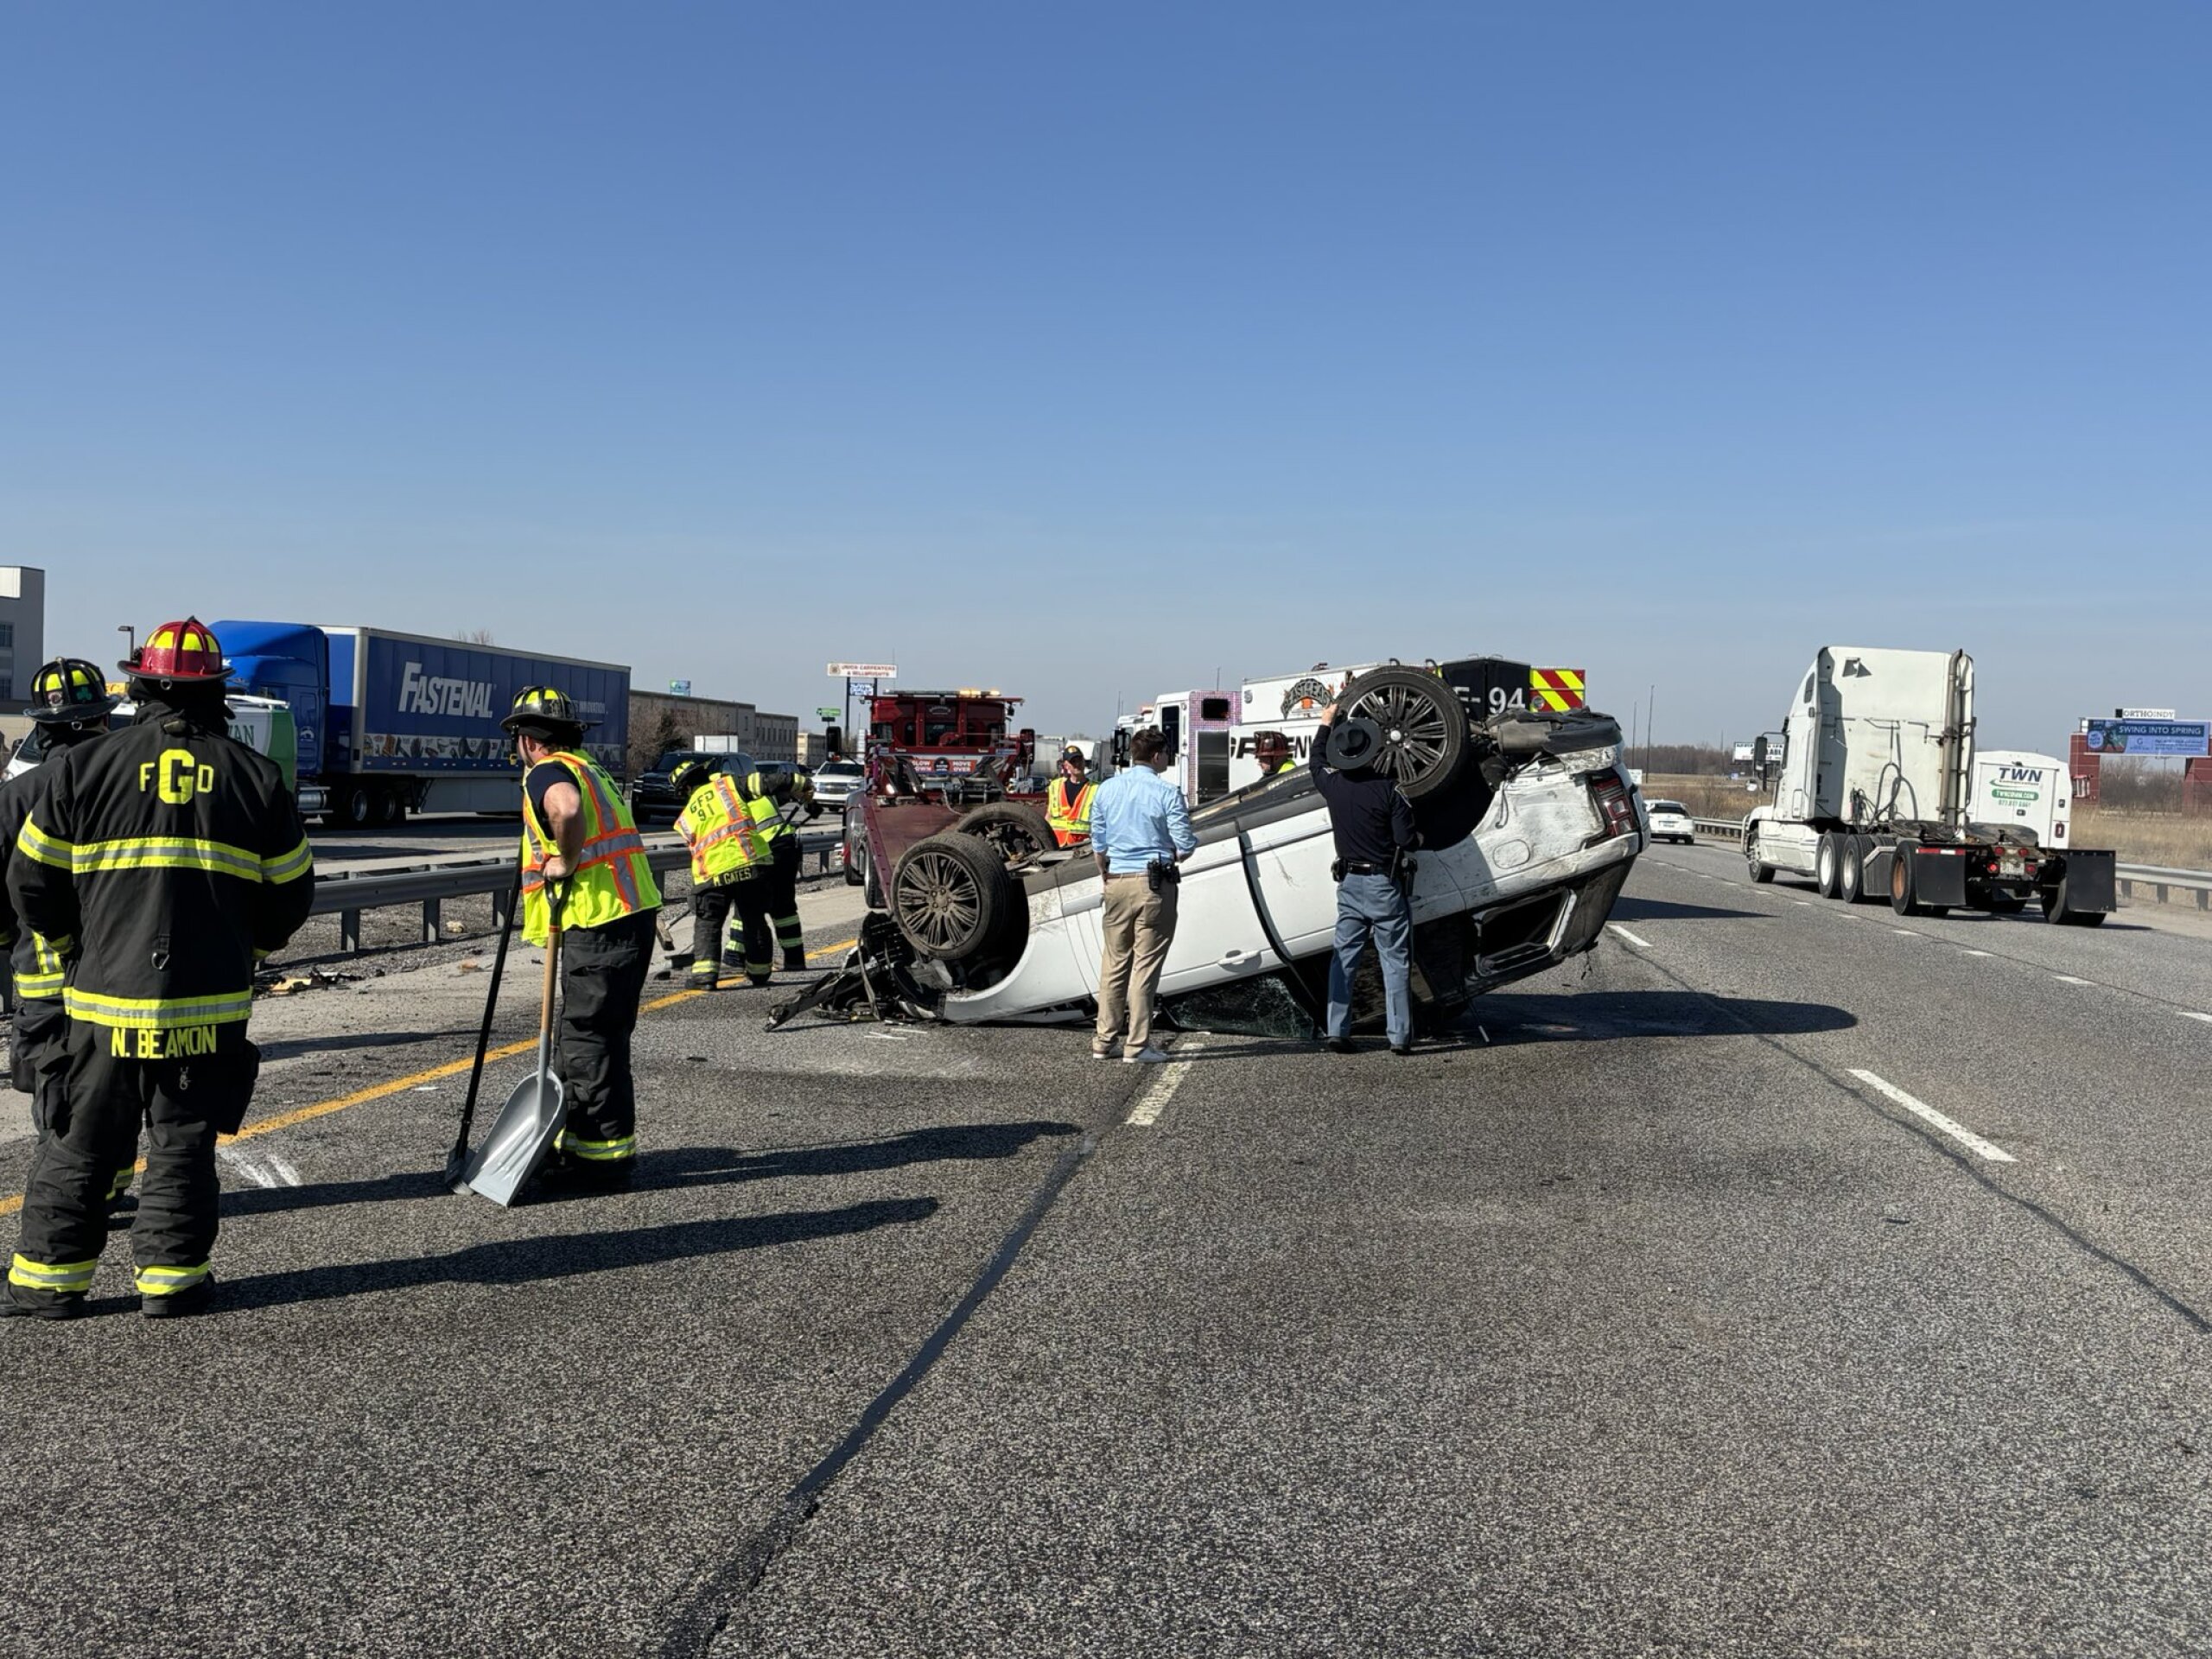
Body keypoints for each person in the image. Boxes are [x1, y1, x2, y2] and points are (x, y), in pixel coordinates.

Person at [5, 620, 315, 1319]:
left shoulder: (83, 770)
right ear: (216, 695)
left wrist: (71, 943)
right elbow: (291, 894)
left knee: (81, 1138)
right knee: (181, 1142)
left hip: (102, 1001)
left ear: (141, 687)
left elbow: (30, 881)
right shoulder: (257, 779)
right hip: (206, 1007)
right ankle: (172, 1284)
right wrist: (248, 952)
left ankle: (47, 1284)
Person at [505, 685, 662, 1188]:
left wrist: (566, 861)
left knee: (588, 1040)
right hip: (628, 915)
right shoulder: (592, 770)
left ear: (528, 740)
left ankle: (602, 1162)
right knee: (590, 1038)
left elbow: (565, 811)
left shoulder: (549, 773)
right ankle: (574, 1141)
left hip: (598, 923)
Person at [0, 658, 135, 1220]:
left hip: (43, 978)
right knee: (116, 1083)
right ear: (99, 721)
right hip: (118, 975)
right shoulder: (124, 788)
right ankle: (107, 1187)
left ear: (43, 725)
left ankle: (63, 1200)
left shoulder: (18, 794)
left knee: (55, 1090)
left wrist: (16, 940)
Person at [1311, 702, 1420, 1056]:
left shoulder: (1334, 786)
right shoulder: (1389, 790)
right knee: (1395, 959)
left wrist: (1326, 723)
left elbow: (1315, 762)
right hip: (1383, 885)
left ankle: (1337, 1031)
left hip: (1349, 884)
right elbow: (1405, 840)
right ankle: (1399, 1037)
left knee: (1344, 958)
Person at [1085, 725, 1195, 1064]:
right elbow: (1186, 844)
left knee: (1114, 963)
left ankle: (1104, 1041)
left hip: (1116, 880)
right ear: (1159, 756)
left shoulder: (1106, 790)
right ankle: (1137, 1045)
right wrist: (1174, 851)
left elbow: (1098, 841)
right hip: (1154, 883)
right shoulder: (1166, 793)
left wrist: (1106, 872)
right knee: (1144, 967)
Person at [671, 759, 769, 992]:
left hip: (712, 875)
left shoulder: (684, 818)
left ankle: (705, 977)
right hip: (749, 864)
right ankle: (760, 972)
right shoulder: (728, 786)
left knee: (708, 923)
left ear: (685, 789)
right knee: (753, 919)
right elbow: (768, 782)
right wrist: (801, 784)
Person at [725, 767, 810, 978]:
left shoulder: (730, 802)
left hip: (766, 850)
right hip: (786, 848)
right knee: (784, 907)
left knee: (746, 903)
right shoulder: (760, 793)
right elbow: (786, 794)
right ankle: (795, 960)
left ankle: (734, 957)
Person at [1045, 745, 1096, 846]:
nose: (1077, 764)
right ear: (1066, 765)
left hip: (1083, 846)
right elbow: (1048, 815)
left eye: (1079, 760)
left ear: (1084, 761)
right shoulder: (1055, 786)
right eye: (1073, 762)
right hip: (1057, 845)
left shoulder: (1096, 788)